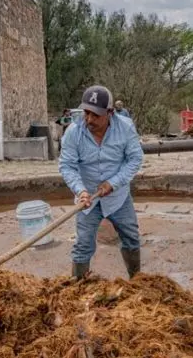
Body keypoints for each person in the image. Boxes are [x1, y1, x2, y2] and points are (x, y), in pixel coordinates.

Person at [59, 85, 143, 280]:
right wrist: (80, 191)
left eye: (95, 115)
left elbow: (135, 159)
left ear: (110, 112)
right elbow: (67, 165)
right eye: (86, 113)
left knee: (131, 238)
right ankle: (77, 288)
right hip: (87, 201)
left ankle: (138, 281)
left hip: (118, 198)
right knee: (83, 245)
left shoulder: (125, 127)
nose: (89, 119)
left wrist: (113, 183)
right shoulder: (73, 132)